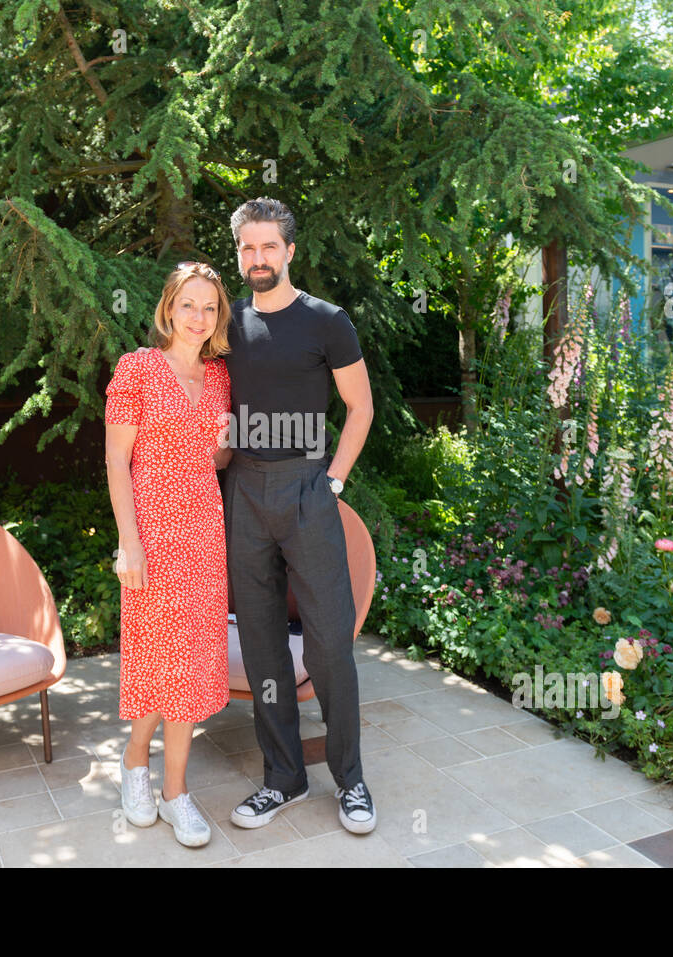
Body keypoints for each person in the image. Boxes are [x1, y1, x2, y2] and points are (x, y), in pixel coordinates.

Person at [220, 197, 378, 834]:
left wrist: (333, 482)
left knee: (328, 641)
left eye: (268, 247)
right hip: (243, 491)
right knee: (260, 641)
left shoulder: (326, 321)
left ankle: (352, 781)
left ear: (289, 251)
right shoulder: (225, 324)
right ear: (239, 255)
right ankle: (283, 778)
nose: (257, 259)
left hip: (309, 486)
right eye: (247, 248)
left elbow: (360, 408)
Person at [103, 261, 234, 848]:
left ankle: (176, 792)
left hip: (205, 532)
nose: (198, 318)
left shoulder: (220, 379)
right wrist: (129, 542)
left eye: (209, 308)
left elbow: (217, 459)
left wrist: (230, 439)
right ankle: (136, 762)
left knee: (193, 662)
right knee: (159, 659)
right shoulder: (137, 369)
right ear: (168, 309)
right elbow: (115, 461)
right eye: (189, 305)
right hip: (152, 533)